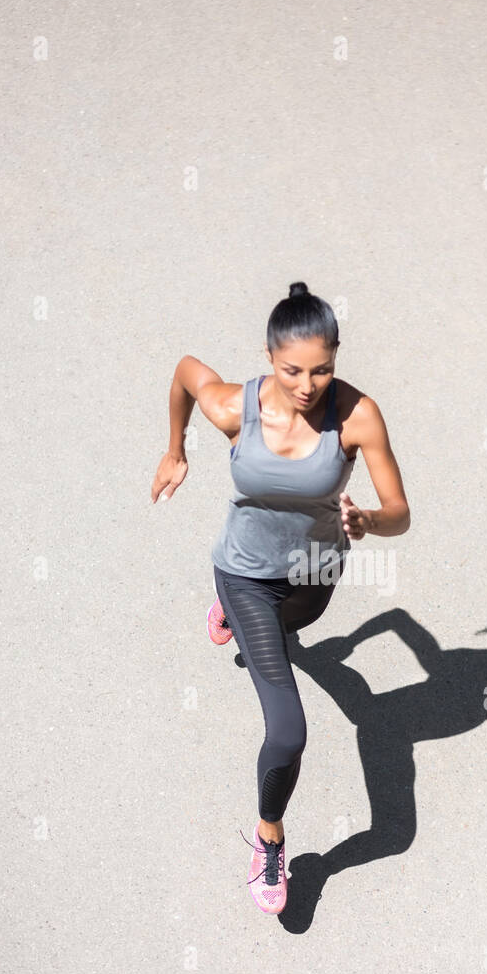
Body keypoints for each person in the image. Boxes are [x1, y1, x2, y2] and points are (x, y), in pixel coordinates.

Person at [150, 283, 410, 914]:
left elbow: (400, 512)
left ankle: (245, 625)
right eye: (293, 369)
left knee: (301, 636)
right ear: (269, 357)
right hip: (243, 572)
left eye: (322, 369)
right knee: (289, 731)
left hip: (315, 574)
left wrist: (368, 523)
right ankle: (271, 839)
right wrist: (174, 447)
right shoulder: (235, 409)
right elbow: (186, 371)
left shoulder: (358, 416)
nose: (307, 384)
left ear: (337, 357)